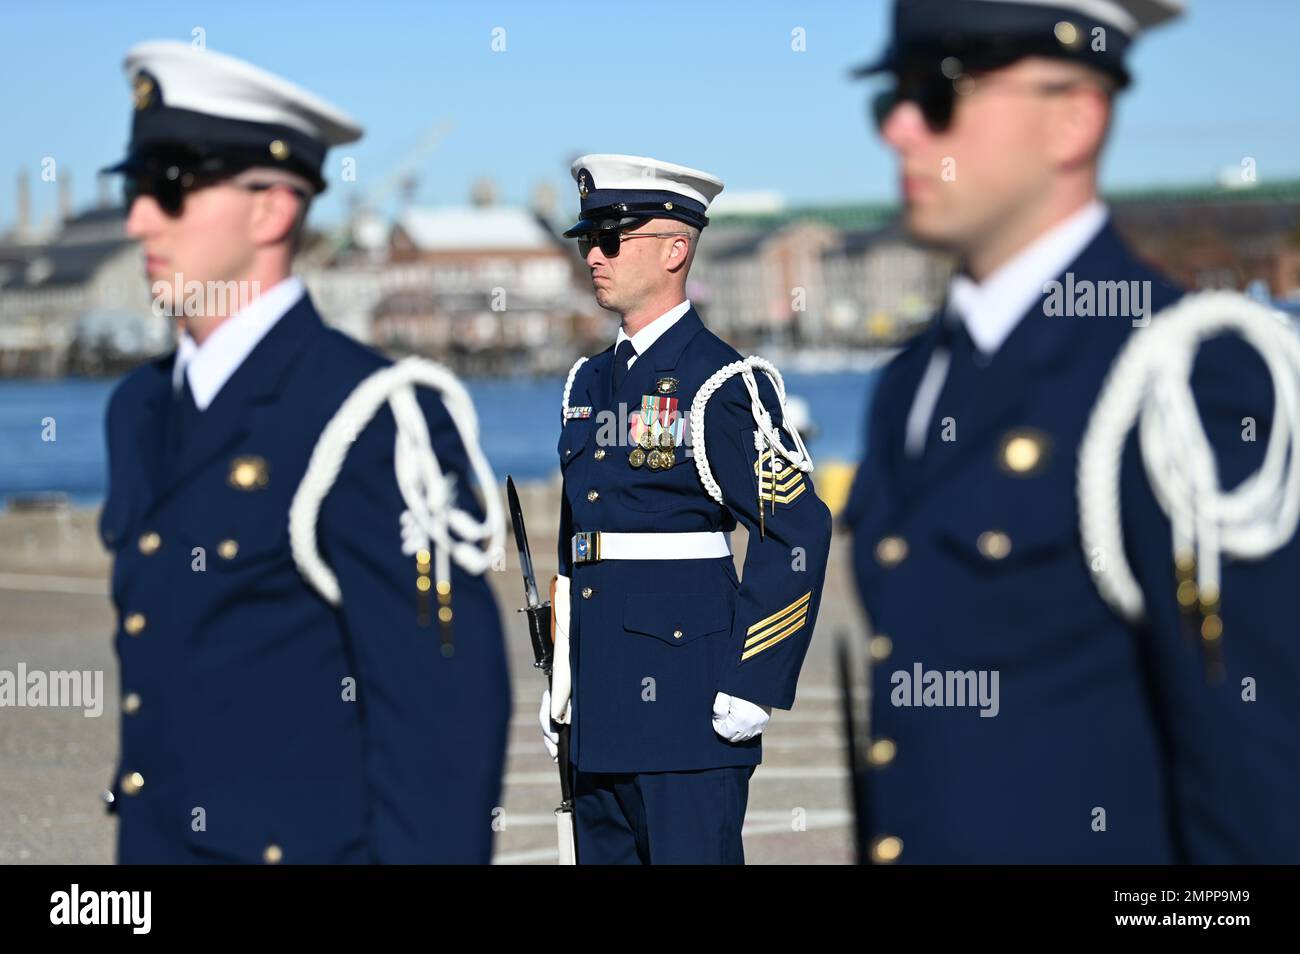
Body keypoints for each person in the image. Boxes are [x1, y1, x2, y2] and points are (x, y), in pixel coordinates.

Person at [843, 0, 1300, 864]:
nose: (901, 128)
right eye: (889, 99)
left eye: (937, 94)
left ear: (1074, 119)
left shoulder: (1183, 373)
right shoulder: (911, 382)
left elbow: (1261, 792)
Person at [98, 40, 510, 863]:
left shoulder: (370, 417)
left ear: (271, 210)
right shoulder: (139, 407)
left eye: (172, 184)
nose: (140, 216)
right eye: (138, 185)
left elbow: (443, 733)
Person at [538, 154, 833, 863]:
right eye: (587, 239)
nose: (594, 256)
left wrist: (754, 678)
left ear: (675, 250)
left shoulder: (721, 382)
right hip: (599, 709)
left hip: (690, 708)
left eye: (613, 238)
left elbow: (797, 528)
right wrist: (565, 675)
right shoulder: (587, 381)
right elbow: (581, 543)